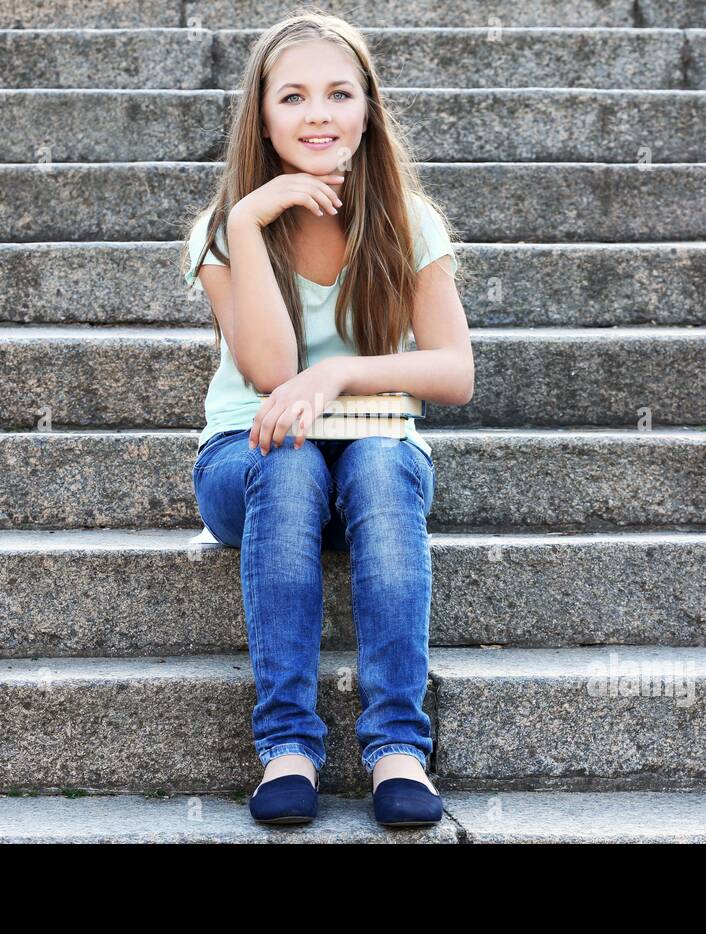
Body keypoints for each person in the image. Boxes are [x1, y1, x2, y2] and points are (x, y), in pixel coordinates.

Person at [180, 9, 475, 827]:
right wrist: (245, 221)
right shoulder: (224, 230)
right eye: (295, 96)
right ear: (263, 116)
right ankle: (288, 746)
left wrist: (338, 371)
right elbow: (270, 375)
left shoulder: (407, 221)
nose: (318, 114)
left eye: (339, 93)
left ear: (369, 109)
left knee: (379, 463)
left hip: (372, 461)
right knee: (290, 461)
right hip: (252, 461)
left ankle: (396, 751)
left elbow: (455, 371)